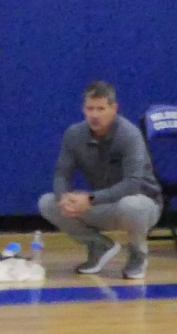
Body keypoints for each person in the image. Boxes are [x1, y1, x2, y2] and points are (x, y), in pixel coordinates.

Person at [39, 81, 163, 280]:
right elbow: (62, 173)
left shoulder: (129, 134)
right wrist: (64, 196)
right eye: (90, 108)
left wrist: (89, 198)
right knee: (47, 202)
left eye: (101, 109)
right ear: (83, 109)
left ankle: (138, 255)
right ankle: (98, 246)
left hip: (142, 203)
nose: (95, 115)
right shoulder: (74, 134)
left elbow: (132, 183)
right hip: (103, 203)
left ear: (114, 108)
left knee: (132, 205)